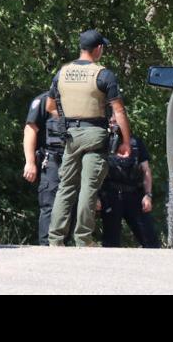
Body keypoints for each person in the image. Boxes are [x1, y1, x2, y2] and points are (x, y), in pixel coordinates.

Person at [46, 29, 131, 247]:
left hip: (70, 136)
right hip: (94, 134)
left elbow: (50, 106)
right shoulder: (103, 75)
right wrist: (125, 142)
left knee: (66, 186)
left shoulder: (62, 73)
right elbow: (119, 111)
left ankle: (55, 239)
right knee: (89, 186)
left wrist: (68, 118)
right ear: (98, 49)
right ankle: (83, 239)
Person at [22, 90, 73, 245]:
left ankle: (64, 246)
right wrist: (30, 162)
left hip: (74, 160)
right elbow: (30, 129)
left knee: (72, 206)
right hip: (52, 161)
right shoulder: (44, 100)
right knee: (49, 205)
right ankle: (46, 247)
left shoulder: (79, 100)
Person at [99, 131, 160, 248]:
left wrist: (148, 195)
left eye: (117, 122)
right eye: (111, 122)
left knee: (150, 240)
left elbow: (146, 170)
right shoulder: (103, 141)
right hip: (110, 195)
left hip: (134, 194)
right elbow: (95, 172)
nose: (113, 124)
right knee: (110, 242)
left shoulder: (136, 143)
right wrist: (96, 196)